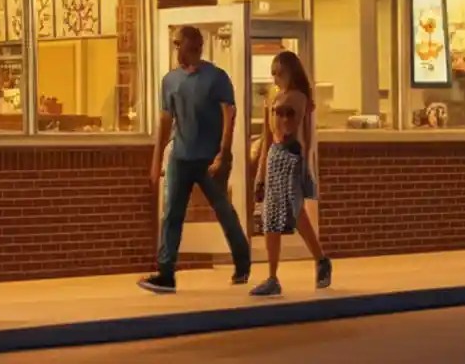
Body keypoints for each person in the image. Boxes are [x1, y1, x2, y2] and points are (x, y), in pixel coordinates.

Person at [139, 25, 251, 294]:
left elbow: (229, 115)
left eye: (182, 46)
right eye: (175, 45)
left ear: (196, 47)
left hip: (210, 157)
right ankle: (166, 273)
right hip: (181, 156)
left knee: (223, 209)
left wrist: (223, 153)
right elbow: (165, 122)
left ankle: (242, 261)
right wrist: (157, 161)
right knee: (172, 214)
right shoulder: (170, 81)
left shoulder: (216, 78)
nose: (178, 51)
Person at [250, 51, 332, 296]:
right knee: (271, 216)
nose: (276, 78)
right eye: (273, 74)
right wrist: (260, 174)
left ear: (291, 72)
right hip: (275, 155)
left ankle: (320, 259)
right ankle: (273, 275)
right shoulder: (276, 99)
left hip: (291, 155)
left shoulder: (297, 98)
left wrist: (304, 163)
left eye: (279, 73)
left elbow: (297, 129)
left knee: (295, 211)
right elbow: (267, 139)